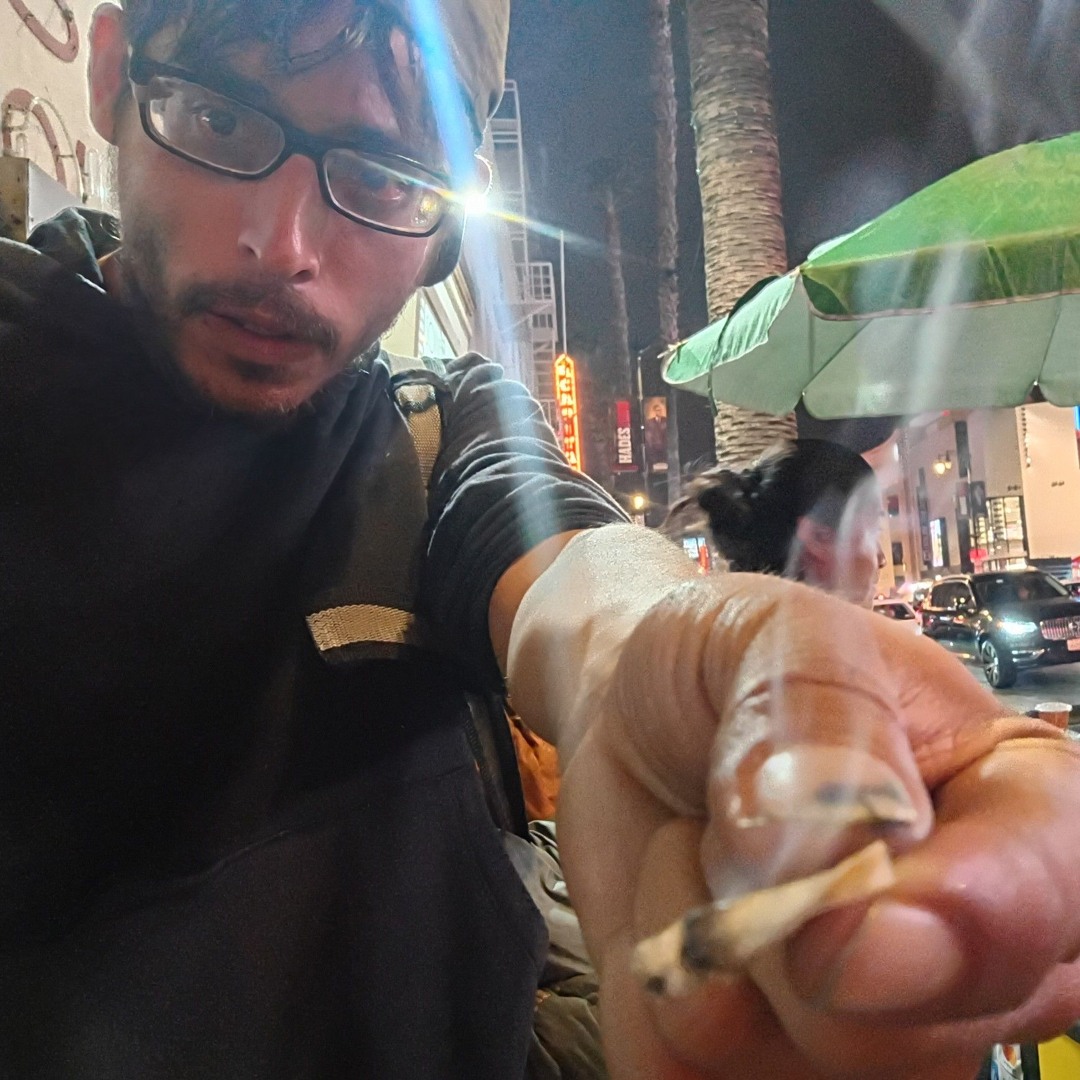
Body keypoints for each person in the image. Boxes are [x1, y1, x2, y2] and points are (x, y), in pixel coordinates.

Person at [1, 2, 1078, 1078]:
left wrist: (684, 666)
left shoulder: (436, 436)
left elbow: (585, 588)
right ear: (111, 74)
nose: (282, 247)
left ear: (444, 222)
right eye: (221, 122)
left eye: (380, 177)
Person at [680, 439, 887, 605]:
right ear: (817, 537)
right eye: (874, 532)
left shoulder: (752, 631)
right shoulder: (815, 643)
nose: (882, 559)